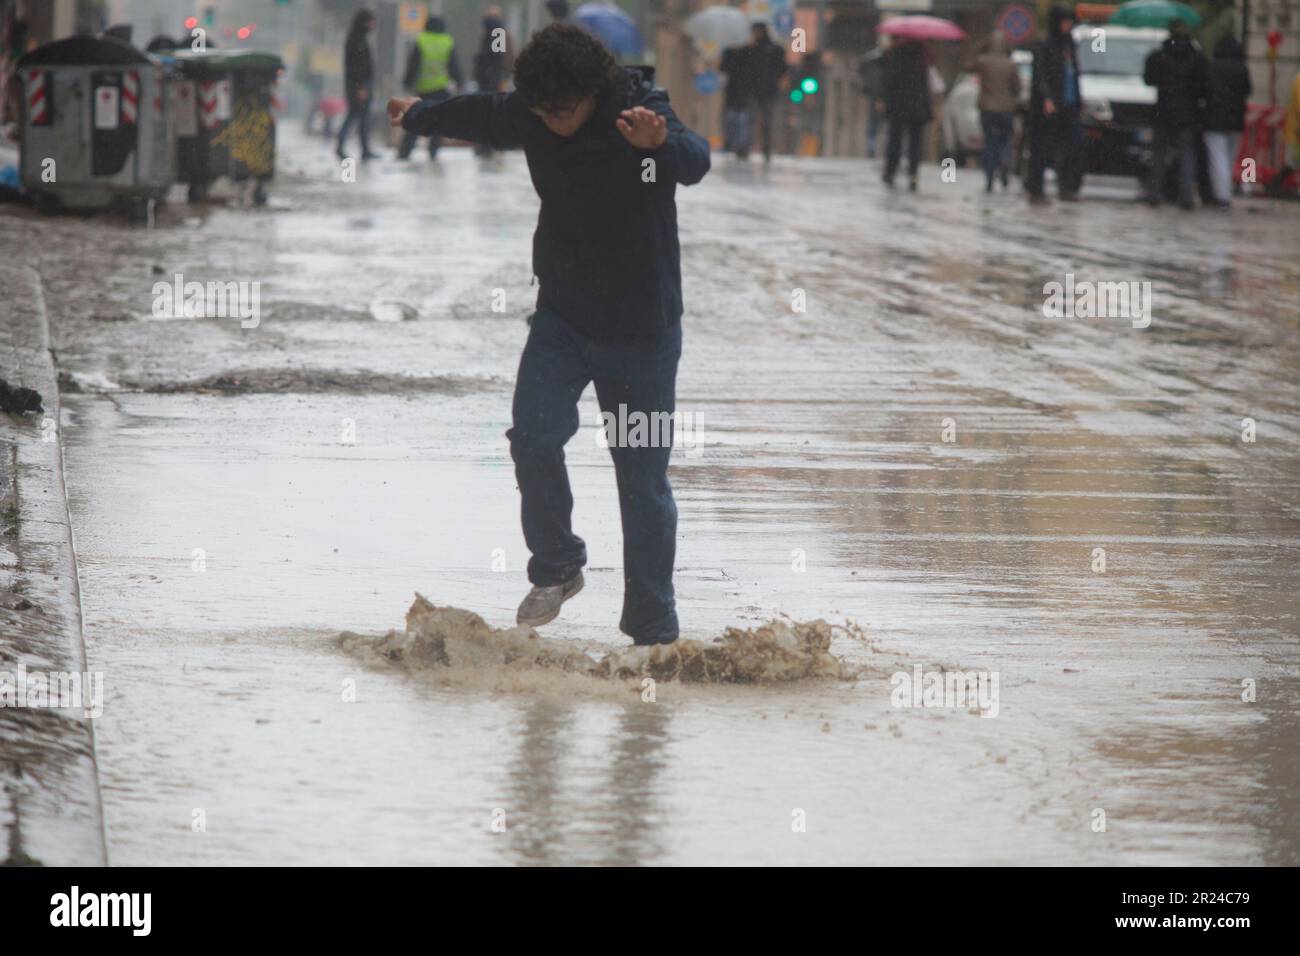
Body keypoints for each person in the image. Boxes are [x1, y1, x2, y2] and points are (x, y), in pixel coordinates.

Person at [388, 24, 710, 645]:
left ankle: (651, 627)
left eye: (566, 110)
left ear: (593, 92)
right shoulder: (534, 112)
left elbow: (695, 160)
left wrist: (660, 143)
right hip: (562, 318)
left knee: (641, 479)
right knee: (533, 437)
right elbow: (481, 113)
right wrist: (420, 115)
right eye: (544, 112)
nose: (555, 122)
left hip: (642, 330)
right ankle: (558, 566)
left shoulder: (636, 113)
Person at [1142, 18, 1208, 209]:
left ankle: (1154, 193)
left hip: (1163, 112)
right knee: (1187, 154)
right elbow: (1203, 86)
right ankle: (1186, 196)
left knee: (1159, 154)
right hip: (1188, 113)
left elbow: (1148, 79)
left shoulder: (1160, 55)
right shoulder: (1196, 57)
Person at [1025, 4, 1084, 204]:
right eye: (1064, 22)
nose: (1067, 26)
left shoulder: (1070, 45)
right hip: (1048, 105)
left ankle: (1068, 187)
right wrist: (1047, 97)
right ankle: (1036, 189)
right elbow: (1040, 76)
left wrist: (1078, 99)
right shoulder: (1045, 45)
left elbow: (1075, 74)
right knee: (1042, 148)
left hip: (1070, 103)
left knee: (1072, 147)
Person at [397, 16, 463, 160]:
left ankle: (405, 152)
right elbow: (454, 65)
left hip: (423, 89)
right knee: (438, 122)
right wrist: (459, 81)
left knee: (415, 120)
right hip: (441, 89)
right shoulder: (447, 42)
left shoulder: (421, 40)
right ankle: (433, 151)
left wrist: (407, 82)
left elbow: (413, 64)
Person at [1201, 35, 1251, 208]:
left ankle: (1222, 195)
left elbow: (1204, 89)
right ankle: (1225, 191)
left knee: (1218, 158)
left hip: (1214, 119)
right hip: (1235, 119)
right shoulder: (1241, 68)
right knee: (1229, 158)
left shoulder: (1212, 67)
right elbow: (1247, 90)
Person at [969, 31, 1021, 192]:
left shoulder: (983, 61)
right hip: (1005, 110)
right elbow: (1017, 88)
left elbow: (968, 64)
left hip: (987, 109)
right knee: (1005, 140)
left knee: (990, 143)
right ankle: (1005, 161)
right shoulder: (1010, 64)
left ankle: (990, 178)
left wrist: (980, 47)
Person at [881, 39, 931, 190]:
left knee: (895, 141)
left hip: (899, 107)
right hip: (917, 107)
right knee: (915, 144)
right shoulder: (921, 59)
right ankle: (913, 175)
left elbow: (888, 82)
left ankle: (890, 172)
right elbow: (925, 85)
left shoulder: (896, 58)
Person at [471, 6, 514, 157]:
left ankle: (487, 144)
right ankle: (488, 144)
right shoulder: (498, 32)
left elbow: (498, 56)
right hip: (493, 78)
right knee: (493, 112)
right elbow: (503, 56)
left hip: (491, 78)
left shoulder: (497, 33)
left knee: (488, 111)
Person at [337, 9, 378, 161]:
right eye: (370, 22)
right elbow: (357, 66)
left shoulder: (359, 38)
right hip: (358, 85)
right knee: (355, 116)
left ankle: (364, 149)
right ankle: (341, 147)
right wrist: (361, 87)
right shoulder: (356, 40)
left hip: (359, 84)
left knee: (360, 117)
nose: (373, 25)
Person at [743, 22, 787, 162]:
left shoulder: (774, 50)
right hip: (754, 91)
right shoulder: (750, 50)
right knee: (751, 120)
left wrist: (772, 80)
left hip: (769, 91)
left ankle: (766, 150)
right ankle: (747, 148)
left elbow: (783, 68)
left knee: (767, 122)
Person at [719, 43, 752, 158]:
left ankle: (739, 146)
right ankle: (734, 145)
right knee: (734, 121)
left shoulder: (747, 53)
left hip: (740, 95)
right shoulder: (730, 53)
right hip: (734, 94)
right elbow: (723, 71)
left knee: (739, 121)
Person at [857, 46, 885, 159]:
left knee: (874, 124)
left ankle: (872, 147)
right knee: (877, 124)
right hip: (882, 98)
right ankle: (873, 147)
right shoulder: (880, 69)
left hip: (876, 98)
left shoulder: (870, 67)